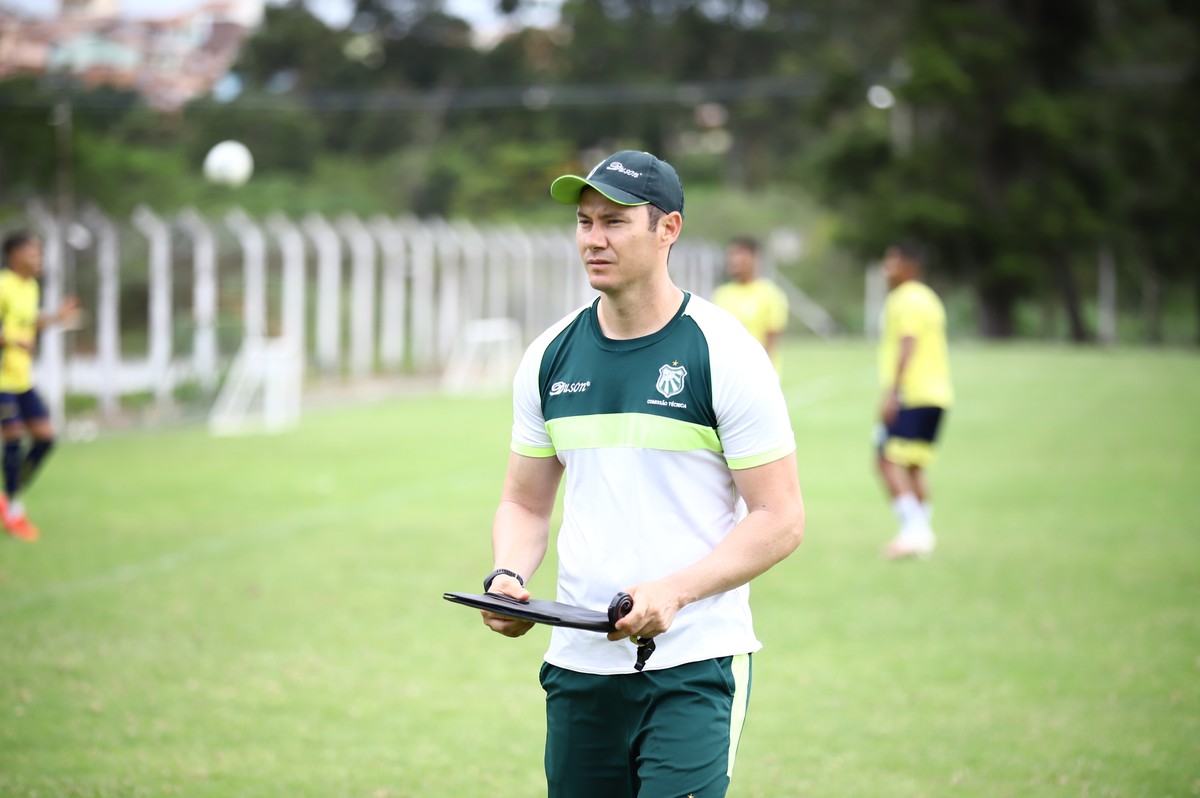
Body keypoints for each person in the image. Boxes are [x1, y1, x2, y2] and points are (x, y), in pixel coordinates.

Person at [476, 150, 805, 798]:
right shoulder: (549, 355)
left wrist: (675, 592)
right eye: (584, 221)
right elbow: (524, 504)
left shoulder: (725, 352)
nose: (594, 239)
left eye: (616, 221)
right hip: (577, 666)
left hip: (692, 664)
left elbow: (780, 518)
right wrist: (509, 577)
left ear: (668, 230)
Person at [0, 231, 81, 542]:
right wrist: (11, 340)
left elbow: (28, 323)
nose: (39, 258)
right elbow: (12, 333)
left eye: (40, 253)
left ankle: (9, 494)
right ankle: (14, 510)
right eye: (33, 253)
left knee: (46, 438)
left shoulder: (30, 287)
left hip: (22, 378)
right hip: (2, 378)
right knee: (14, 437)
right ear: (14, 255)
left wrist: (56, 318)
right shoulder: (3, 285)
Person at [874, 241, 953, 560]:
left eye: (891, 262)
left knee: (886, 460)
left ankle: (914, 533)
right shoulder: (929, 298)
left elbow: (908, 342)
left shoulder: (904, 299)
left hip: (912, 393)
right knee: (915, 465)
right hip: (938, 394)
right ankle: (922, 534)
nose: (886, 268)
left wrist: (893, 392)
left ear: (909, 265)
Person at [712, 236, 789, 373]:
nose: (734, 260)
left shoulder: (770, 294)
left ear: (755, 259)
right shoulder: (721, 294)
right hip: (728, 373)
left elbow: (772, 338)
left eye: (740, 255)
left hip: (759, 372)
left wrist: (762, 371)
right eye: (731, 256)